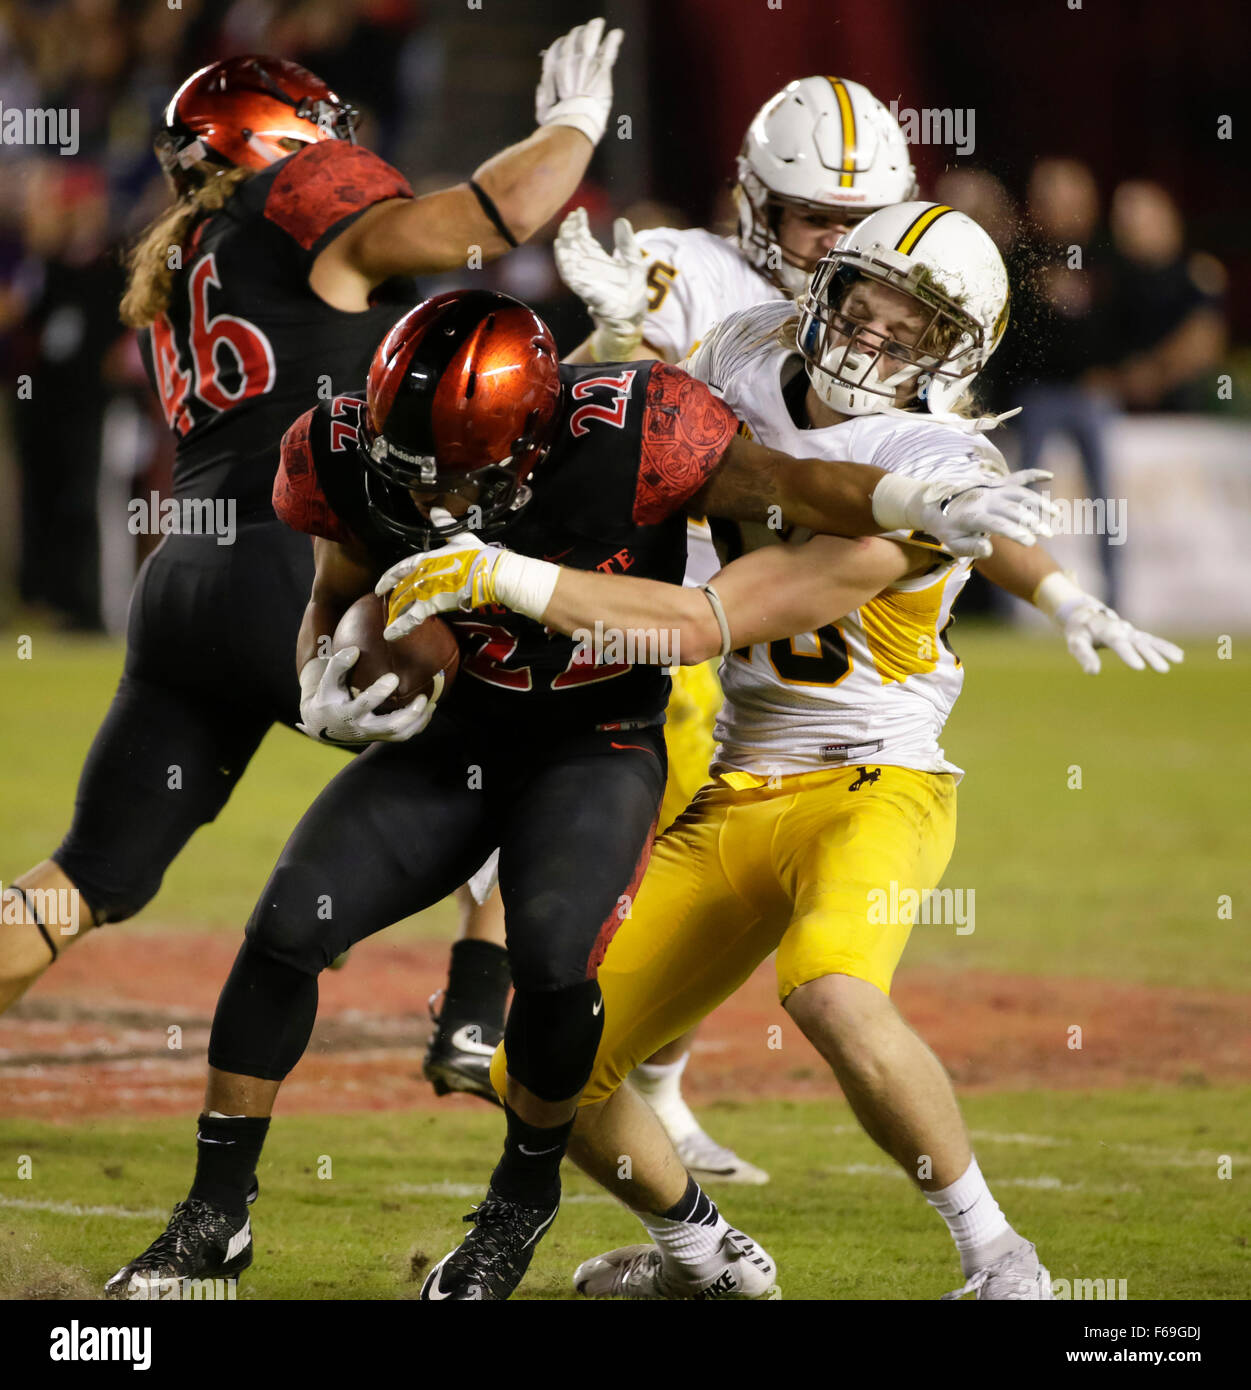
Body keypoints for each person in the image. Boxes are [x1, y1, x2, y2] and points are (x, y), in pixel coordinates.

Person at [102, 280, 1054, 1303]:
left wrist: (917, 498)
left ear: (535, 432)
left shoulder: (639, 428)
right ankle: (213, 1221)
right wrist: (321, 679)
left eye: (464, 477)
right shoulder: (340, 444)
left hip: (594, 741)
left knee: (557, 958)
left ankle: (514, 1219)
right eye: (411, 474)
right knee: (290, 921)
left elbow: (797, 489)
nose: (436, 504)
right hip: (454, 740)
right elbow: (339, 594)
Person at [396, 204, 1182, 1299]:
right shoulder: (749, 347)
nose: (867, 338)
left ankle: (1003, 1261)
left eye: (906, 333)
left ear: (946, 356)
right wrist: (622, 347)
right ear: (828, 286)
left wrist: (505, 577)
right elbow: (636, 442)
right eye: (860, 305)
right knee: (542, 1055)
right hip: (737, 784)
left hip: (874, 781)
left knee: (828, 988)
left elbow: (706, 618)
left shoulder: (930, 462)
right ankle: (704, 1256)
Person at [0, 22, 624, 1012]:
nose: (337, 149)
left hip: (188, 585)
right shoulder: (289, 209)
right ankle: (479, 1013)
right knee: (567, 748)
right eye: (318, 133)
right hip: (305, 563)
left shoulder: (189, 250)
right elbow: (492, 216)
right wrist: (577, 126)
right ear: (274, 146)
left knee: (83, 880)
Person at [477, 73, 917, 1184]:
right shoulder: (693, 269)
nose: (839, 245)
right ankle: (481, 1005)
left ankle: (654, 1090)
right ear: (757, 204)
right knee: (636, 831)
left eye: (860, 224)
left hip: (775, 616)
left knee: (697, 850)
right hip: (668, 601)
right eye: (818, 218)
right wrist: (622, 328)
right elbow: (587, 399)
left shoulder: (893, 312)